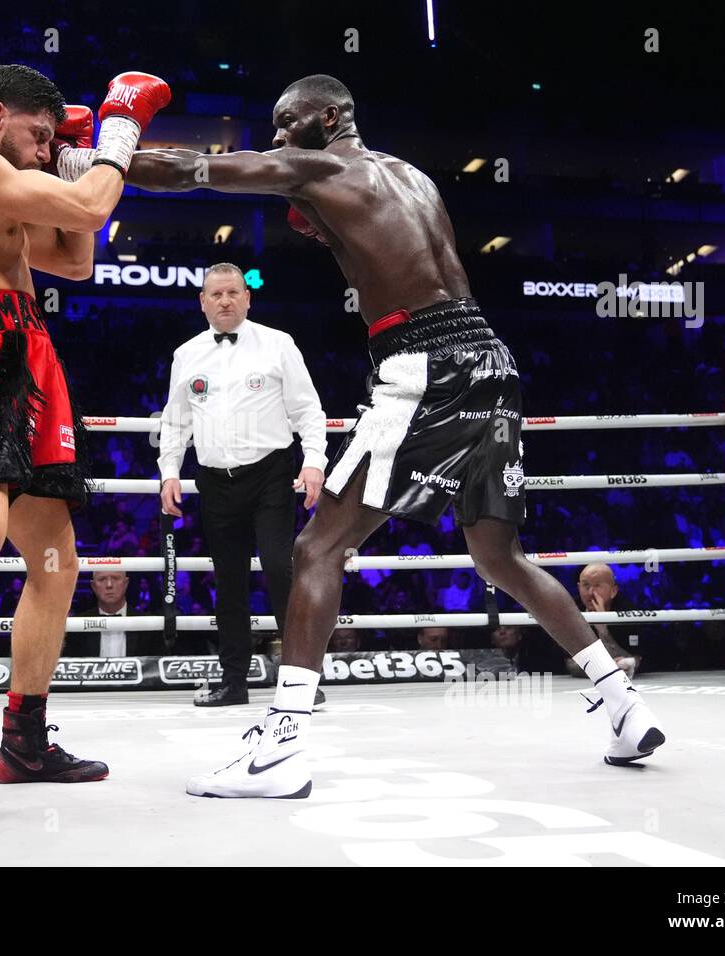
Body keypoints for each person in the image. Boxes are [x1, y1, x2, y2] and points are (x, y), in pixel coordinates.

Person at [127, 73, 664, 798]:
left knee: (319, 547)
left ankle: (281, 746)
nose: (279, 137)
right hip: (491, 360)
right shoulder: (411, 176)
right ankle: (622, 706)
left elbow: (191, 170)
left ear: (328, 117)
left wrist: (91, 153)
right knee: (499, 556)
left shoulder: (318, 164)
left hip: (426, 366)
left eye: (287, 122)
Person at [0, 64, 171, 817]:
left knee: (56, 561)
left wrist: (70, 159)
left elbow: (77, 257)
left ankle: (24, 738)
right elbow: (88, 209)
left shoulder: (4, 195)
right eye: (38, 135)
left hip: (29, 350)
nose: (46, 150)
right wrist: (117, 129)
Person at [158, 262, 328, 707]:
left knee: (278, 567)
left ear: (248, 297)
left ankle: (301, 681)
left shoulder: (277, 344)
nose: (226, 301)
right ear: (203, 302)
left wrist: (313, 462)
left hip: (271, 473)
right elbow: (175, 421)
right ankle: (234, 682)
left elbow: (308, 410)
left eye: (233, 292)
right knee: (229, 581)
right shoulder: (186, 354)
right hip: (214, 480)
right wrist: (169, 472)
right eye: (216, 294)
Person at [64, 569, 165, 657]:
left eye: (115, 578)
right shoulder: (77, 626)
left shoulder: (149, 625)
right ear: (93, 586)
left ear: (126, 583)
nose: (109, 585)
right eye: (102, 579)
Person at [567, 563, 642, 677]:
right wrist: (605, 666)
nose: (591, 592)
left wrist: (603, 631)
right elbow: (570, 664)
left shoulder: (627, 612)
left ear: (613, 591)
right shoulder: (571, 610)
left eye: (598, 585)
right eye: (586, 585)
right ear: (578, 588)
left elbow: (632, 661)